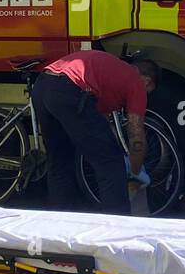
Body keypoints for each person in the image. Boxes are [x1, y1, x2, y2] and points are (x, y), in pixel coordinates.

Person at [32, 50, 157, 212]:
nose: (145, 97)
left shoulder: (113, 72)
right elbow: (136, 135)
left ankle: (62, 225)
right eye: (149, 93)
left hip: (42, 85)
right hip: (69, 89)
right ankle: (117, 228)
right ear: (147, 81)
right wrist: (135, 172)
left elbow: (98, 127)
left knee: (59, 161)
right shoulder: (136, 82)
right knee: (111, 163)